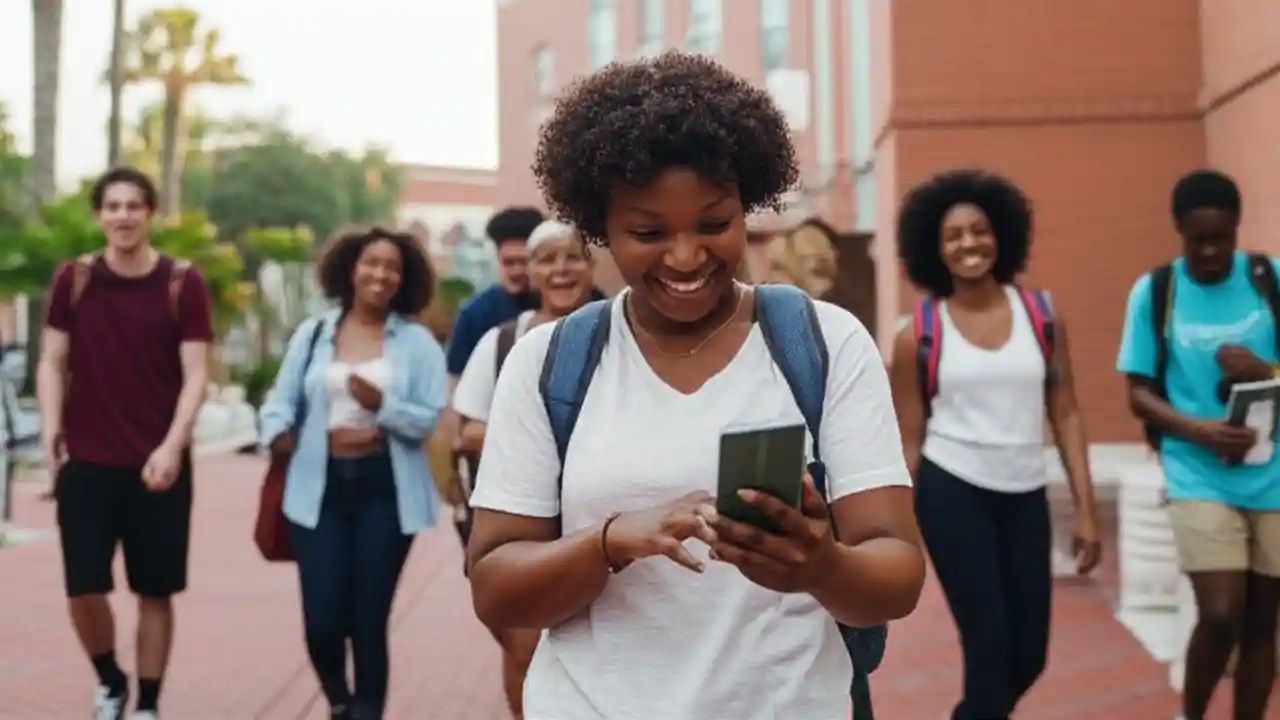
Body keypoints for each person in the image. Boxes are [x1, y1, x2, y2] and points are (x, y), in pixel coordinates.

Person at [465, 52, 925, 719]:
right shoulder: (548, 362)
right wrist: (609, 541)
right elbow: (497, 590)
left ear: (750, 207)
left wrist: (819, 565)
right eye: (648, 232)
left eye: (715, 224)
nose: (685, 257)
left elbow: (897, 577)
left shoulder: (824, 343)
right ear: (601, 228)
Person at [888, 169, 1101, 720]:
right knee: (989, 649)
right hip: (950, 492)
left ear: (1001, 234)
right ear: (934, 251)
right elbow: (908, 438)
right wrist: (895, 527)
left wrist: (1086, 512)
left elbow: (1068, 414)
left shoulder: (1042, 317)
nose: (969, 244)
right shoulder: (919, 333)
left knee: (1029, 654)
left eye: (978, 230)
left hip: (1025, 494)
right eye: (953, 236)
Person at [36, 167, 213, 720]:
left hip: (158, 464)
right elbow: (51, 359)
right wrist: (49, 430)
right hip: (87, 461)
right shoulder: (76, 279)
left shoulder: (182, 282)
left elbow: (196, 375)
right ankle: (111, 679)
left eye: (134, 205)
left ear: (150, 214)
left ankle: (147, 706)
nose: (123, 216)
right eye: (112, 206)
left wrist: (173, 445)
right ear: (99, 215)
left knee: (154, 592)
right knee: (82, 588)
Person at [258, 228, 447, 720]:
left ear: (403, 279)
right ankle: (340, 703)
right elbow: (278, 402)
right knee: (322, 622)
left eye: (392, 267)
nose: (380, 275)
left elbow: (428, 418)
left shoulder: (417, 343)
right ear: (350, 268)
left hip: (385, 490)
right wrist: (277, 434)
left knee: (367, 623)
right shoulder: (315, 333)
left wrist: (382, 406)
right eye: (371, 263)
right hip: (317, 489)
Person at [1116, 169, 1280, 720]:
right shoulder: (1157, 291)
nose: (1209, 251)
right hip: (1197, 470)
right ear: (1179, 230)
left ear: (1236, 229)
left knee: (1263, 624)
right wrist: (1199, 430)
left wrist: (1266, 368)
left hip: (1272, 472)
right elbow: (1139, 393)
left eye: (1221, 238)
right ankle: (1193, 714)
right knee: (1220, 613)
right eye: (1197, 239)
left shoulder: (1267, 279)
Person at [451, 218, 596, 720]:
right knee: (524, 646)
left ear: (592, 265)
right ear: (530, 272)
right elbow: (465, 429)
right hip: (520, 521)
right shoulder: (503, 342)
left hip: (599, 517)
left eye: (572, 256)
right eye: (548, 259)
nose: (561, 269)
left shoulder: (624, 333)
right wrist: (540, 445)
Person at [444, 206, 545, 384]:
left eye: (523, 262)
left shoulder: (562, 305)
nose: (516, 271)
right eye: (508, 262)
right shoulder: (475, 314)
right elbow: (455, 381)